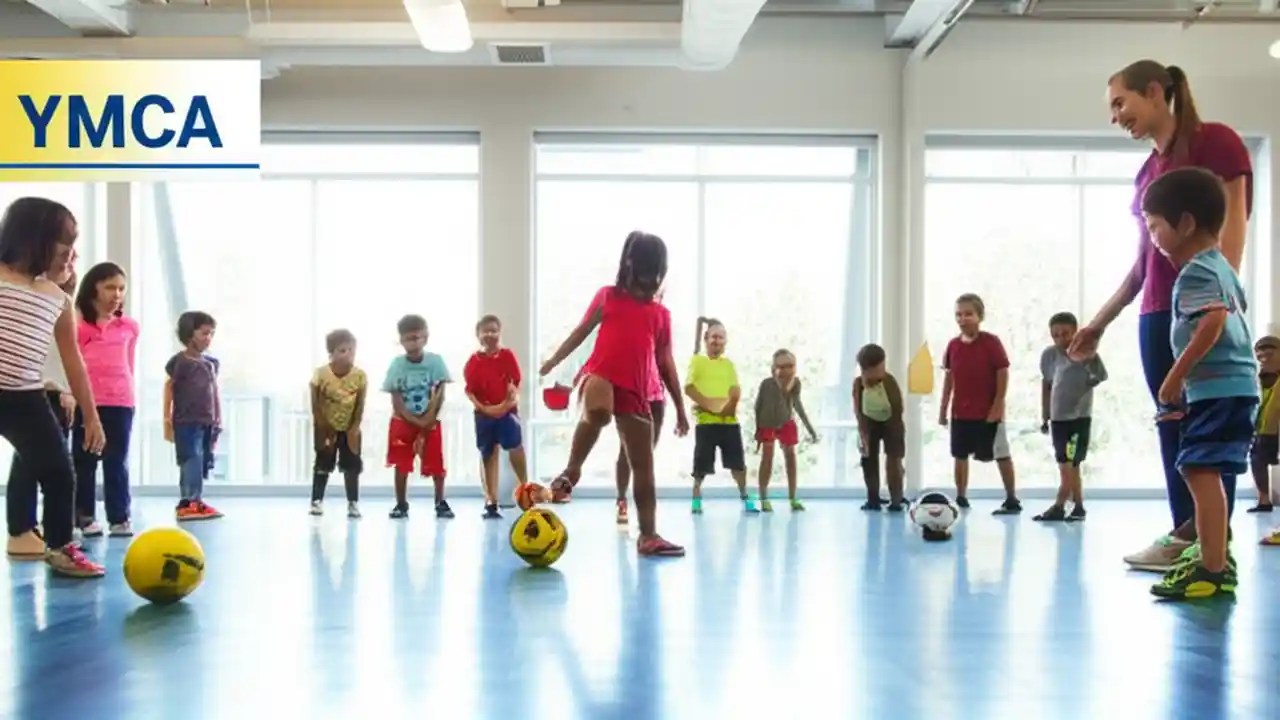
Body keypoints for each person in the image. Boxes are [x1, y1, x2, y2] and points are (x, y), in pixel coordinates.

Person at [1069, 60, 1253, 571]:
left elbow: (1231, 225)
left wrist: (1219, 296)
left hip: (1202, 309)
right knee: (1175, 427)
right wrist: (1099, 321)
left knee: (1210, 431)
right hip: (1157, 313)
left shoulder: (1216, 143)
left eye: (1120, 103)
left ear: (1155, 92)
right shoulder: (1147, 172)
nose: (1115, 117)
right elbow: (1142, 264)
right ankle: (1187, 537)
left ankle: (1208, 545)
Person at [537, 231, 690, 557]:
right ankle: (571, 471)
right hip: (601, 376)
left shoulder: (660, 315)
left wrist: (680, 408)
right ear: (630, 264)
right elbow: (580, 332)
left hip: (637, 391)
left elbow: (666, 362)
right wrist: (552, 361)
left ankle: (648, 536)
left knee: (644, 468)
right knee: (599, 410)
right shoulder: (608, 296)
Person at [1142, 167, 1256, 600]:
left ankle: (1212, 567)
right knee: (1202, 469)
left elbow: (1212, 323)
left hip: (1220, 389)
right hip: (1231, 387)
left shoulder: (1194, 274)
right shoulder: (1221, 267)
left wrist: (1174, 379)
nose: (1151, 235)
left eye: (1154, 225)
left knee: (1199, 469)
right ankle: (1213, 556)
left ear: (1185, 223)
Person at [0, 196, 106, 577]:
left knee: (60, 473)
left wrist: (92, 416)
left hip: (26, 398)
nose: (71, 254)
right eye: (66, 244)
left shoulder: (57, 298)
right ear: (35, 238)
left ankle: (61, 547)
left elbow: (73, 361)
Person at [6, 246, 78, 559]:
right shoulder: (31, 298)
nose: (71, 261)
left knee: (45, 466)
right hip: (37, 390)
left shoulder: (59, 303)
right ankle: (22, 530)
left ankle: (33, 531)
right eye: (65, 253)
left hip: (46, 390)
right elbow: (46, 357)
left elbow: (69, 358)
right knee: (31, 465)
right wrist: (61, 389)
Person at [72, 262, 139, 538]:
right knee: (85, 461)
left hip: (121, 402)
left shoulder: (129, 327)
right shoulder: (78, 326)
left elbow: (129, 364)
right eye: (110, 287)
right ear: (93, 288)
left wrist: (130, 396)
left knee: (117, 460)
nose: (117, 294)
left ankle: (119, 517)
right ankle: (84, 517)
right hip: (87, 404)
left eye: (121, 288)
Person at [938, 293, 1021, 515]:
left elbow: (1002, 372)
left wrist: (998, 404)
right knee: (960, 455)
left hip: (988, 413)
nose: (963, 318)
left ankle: (1012, 498)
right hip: (960, 413)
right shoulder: (953, 346)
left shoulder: (991, 342)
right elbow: (949, 378)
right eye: (958, 314)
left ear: (979, 316)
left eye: (968, 314)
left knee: (1001, 454)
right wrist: (943, 408)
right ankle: (961, 497)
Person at [1034, 312, 1107, 523]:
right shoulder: (1049, 355)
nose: (1060, 339)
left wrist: (1086, 365)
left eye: (1065, 333)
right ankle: (1078, 506)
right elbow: (1047, 385)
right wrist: (1045, 416)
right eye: (1055, 334)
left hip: (1079, 418)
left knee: (1071, 464)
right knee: (1064, 463)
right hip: (1058, 419)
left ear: (1075, 332)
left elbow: (1099, 377)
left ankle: (1060, 505)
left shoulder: (1088, 354)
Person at [383, 314, 452, 520]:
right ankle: (401, 503)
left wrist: (428, 420)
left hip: (430, 419)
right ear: (401, 341)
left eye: (416, 337)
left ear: (425, 338)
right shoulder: (397, 365)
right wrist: (414, 421)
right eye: (407, 338)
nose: (413, 342)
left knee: (436, 462)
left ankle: (440, 501)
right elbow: (396, 399)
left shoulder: (436, 362)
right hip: (402, 421)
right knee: (401, 463)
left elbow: (440, 393)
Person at [686, 317, 754, 514]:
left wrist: (726, 408)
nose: (717, 341)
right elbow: (689, 388)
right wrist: (710, 407)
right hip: (706, 424)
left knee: (738, 464)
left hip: (729, 423)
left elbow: (734, 392)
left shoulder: (729, 365)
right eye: (714, 337)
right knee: (701, 465)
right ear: (706, 338)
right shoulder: (697, 361)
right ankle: (696, 498)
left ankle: (745, 497)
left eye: (721, 337)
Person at [463, 314, 527, 520]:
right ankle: (491, 501)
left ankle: (526, 490)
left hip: (507, 413)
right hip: (484, 416)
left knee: (516, 448)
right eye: (485, 331)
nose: (490, 334)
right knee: (488, 454)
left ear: (499, 333)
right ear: (478, 335)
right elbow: (470, 391)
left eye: (494, 330)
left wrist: (506, 405)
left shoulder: (507, 356)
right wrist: (485, 409)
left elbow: (515, 384)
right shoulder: (472, 362)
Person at [164, 311, 224, 521]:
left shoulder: (210, 364)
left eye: (211, 334)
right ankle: (189, 501)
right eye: (204, 333)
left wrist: (218, 420)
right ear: (190, 334)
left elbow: (214, 392)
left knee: (202, 460)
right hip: (185, 420)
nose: (208, 339)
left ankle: (194, 499)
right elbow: (169, 388)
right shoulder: (180, 363)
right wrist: (167, 418)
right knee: (191, 458)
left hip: (206, 421)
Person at [310, 329, 367, 518]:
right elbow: (315, 402)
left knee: (352, 466)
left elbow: (360, 404)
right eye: (343, 350)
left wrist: (355, 426)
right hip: (326, 427)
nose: (348, 354)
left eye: (351, 350)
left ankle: (353, 502)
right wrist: (322, 426)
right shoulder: (320, 374)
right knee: (322, 464)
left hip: (350, 428)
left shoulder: (360, 376)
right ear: (331, 353)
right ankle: (316, 501)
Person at [754, 348, 817, 512]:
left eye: (789, 366)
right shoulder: (767, 384)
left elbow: (797, 405)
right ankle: (764, 498)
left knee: (791, 458)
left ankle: (793, 497)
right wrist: (758, 430)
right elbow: (758, 406)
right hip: (767, 423)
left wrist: (810, 429)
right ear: (773, 367)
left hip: (786, 422)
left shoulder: (796, 383)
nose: (785, 370)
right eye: (780, 366)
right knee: (767, 458)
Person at [852, 343, 906, 512]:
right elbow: (858, 409)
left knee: (893, 462)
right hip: (869, 423)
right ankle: (873, 499)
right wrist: (863, 434)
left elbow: (898, 408)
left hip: (892, 422)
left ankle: (896, 500)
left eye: (880, 366)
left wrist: (894, 440)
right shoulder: (858, 384)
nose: (878, 371)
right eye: (873, 369)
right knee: (868, 460)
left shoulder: (889, 381)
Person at [1248, 336, 1279, 517]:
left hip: (1275, 428)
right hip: (1263, 429)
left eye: (1269, 354)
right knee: (1257, 461)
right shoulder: (1257, 378)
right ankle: (1263, 500)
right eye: (1260, 356)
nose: (1264, 359)